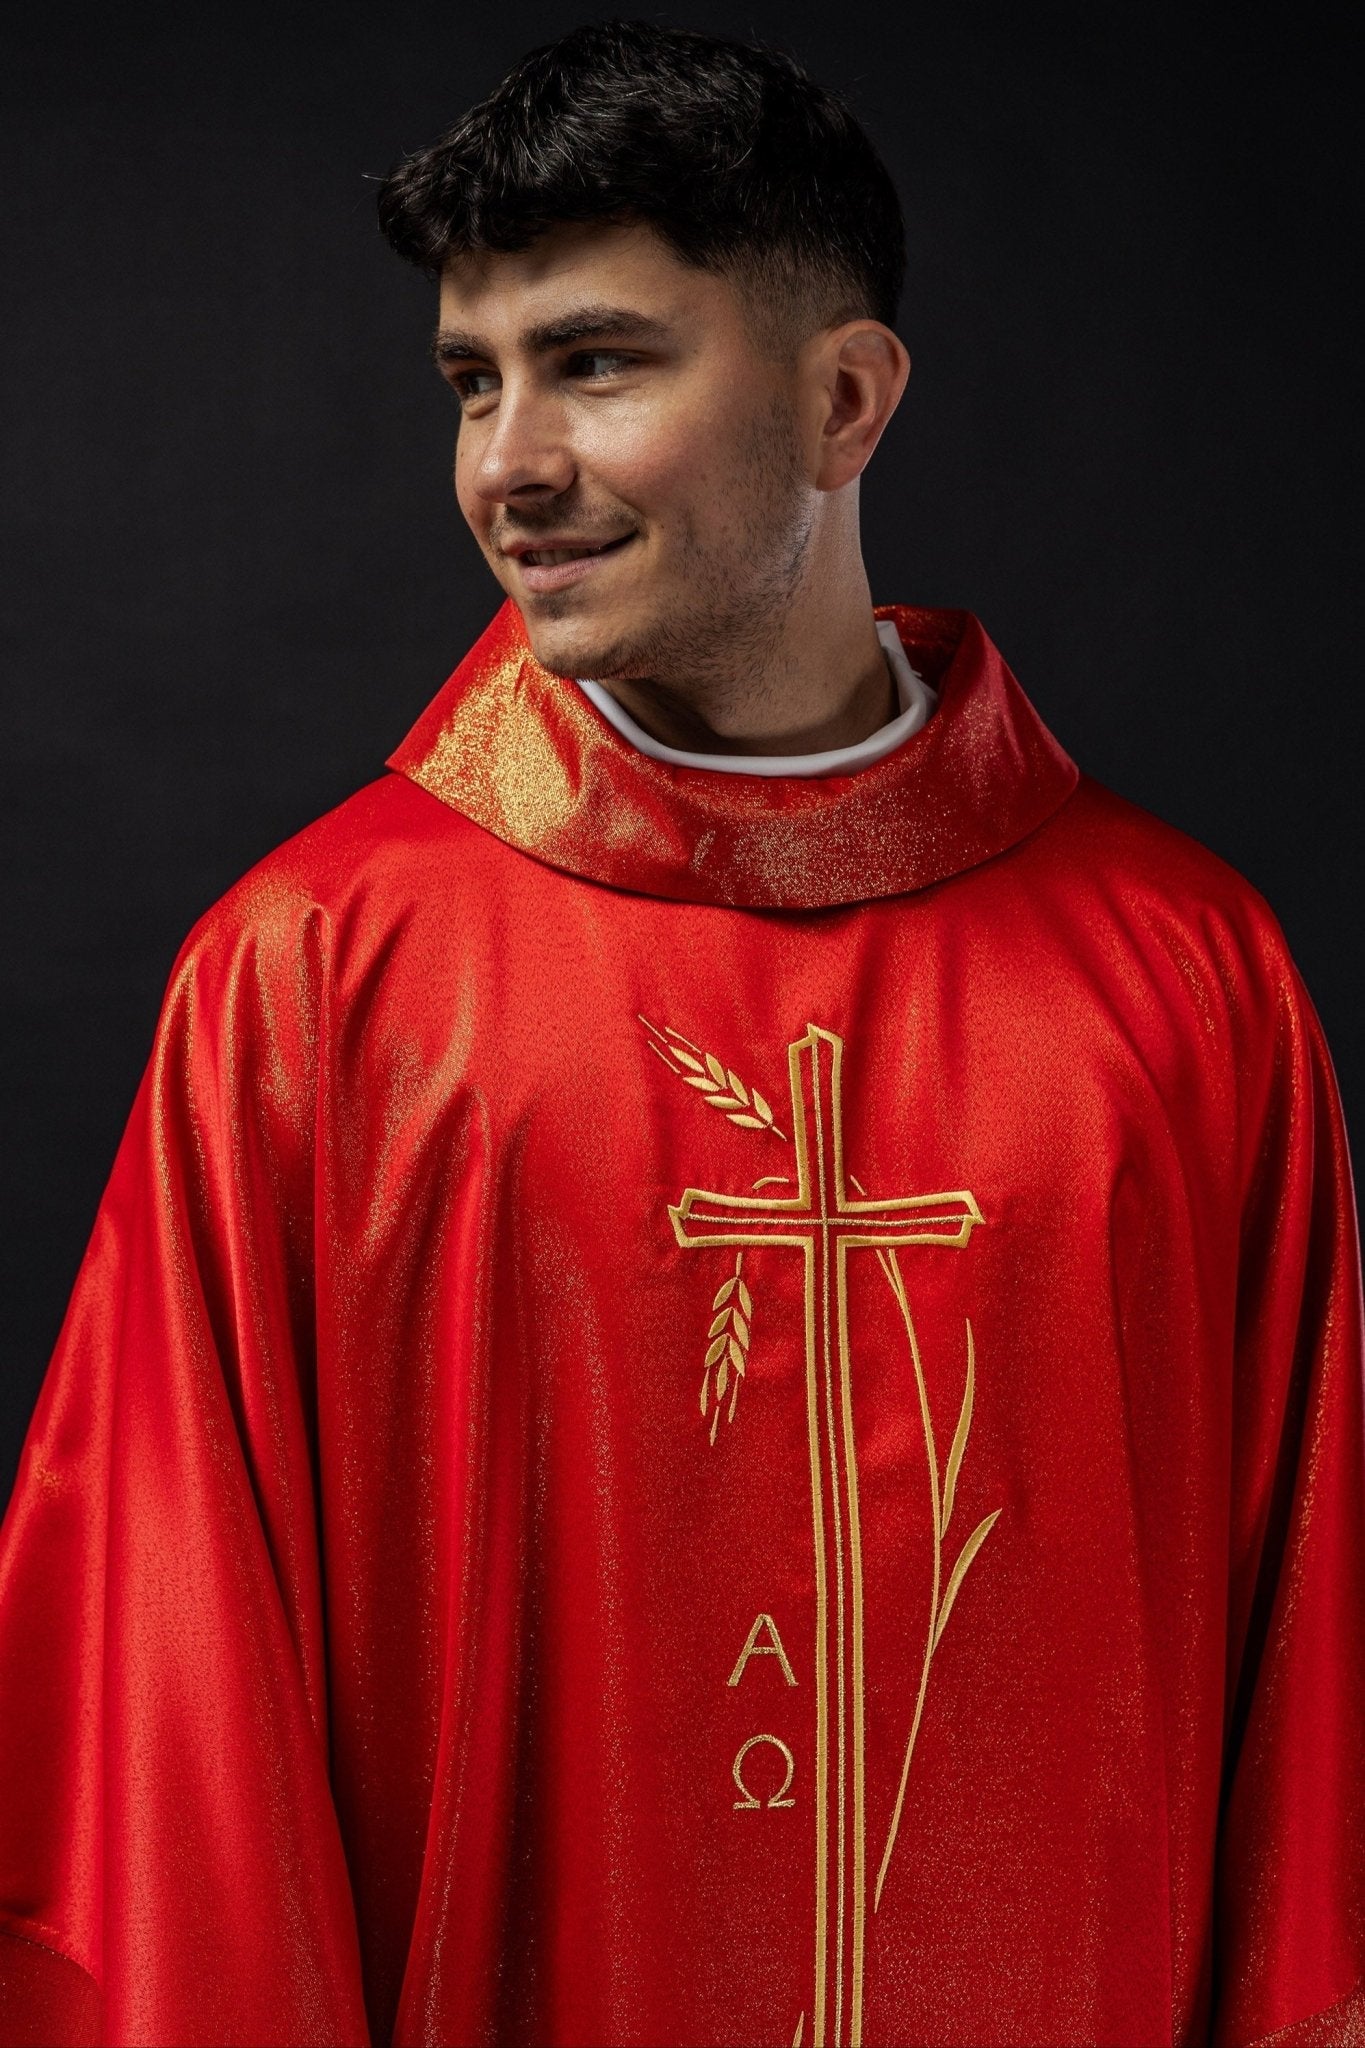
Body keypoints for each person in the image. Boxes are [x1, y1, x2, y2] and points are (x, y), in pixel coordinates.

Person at [0, 19, 1361, 2047]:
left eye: (599, 361)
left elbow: (1303, 1732)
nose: (505, 463)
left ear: (840, 397)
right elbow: (163, 1745)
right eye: (473, 380)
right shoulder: (310, 983)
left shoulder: (1179, 981)